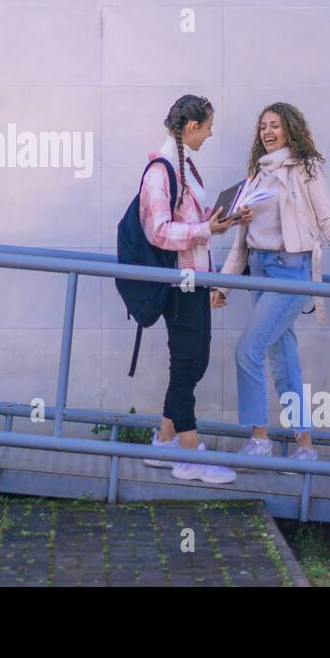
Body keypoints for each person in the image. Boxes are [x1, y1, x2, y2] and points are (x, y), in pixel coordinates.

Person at [212, 102, 330, 461]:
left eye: (275, 125)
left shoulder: (305, 170)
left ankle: (260, 439)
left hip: (291, 271)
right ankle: (305, 446)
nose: (267, 132)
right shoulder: (257, 175)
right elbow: (240, 243)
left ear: (290, 130)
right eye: (263, 126)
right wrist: (223, 284)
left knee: (248, 350)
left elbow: (328, 219)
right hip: (260, 272)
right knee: (284, 358)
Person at [140, 94, 252, 484]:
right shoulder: (161, 171)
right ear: (191, 128)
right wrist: (207, 229)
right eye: (207, 128)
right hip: (178, 285)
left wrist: (225, 220)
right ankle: (190, 456)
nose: (209, 135)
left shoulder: (184, 166)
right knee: (189, 365)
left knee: (190, 363)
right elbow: (157, 232)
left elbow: (189, 221)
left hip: (195, 280)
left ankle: (164, 443)